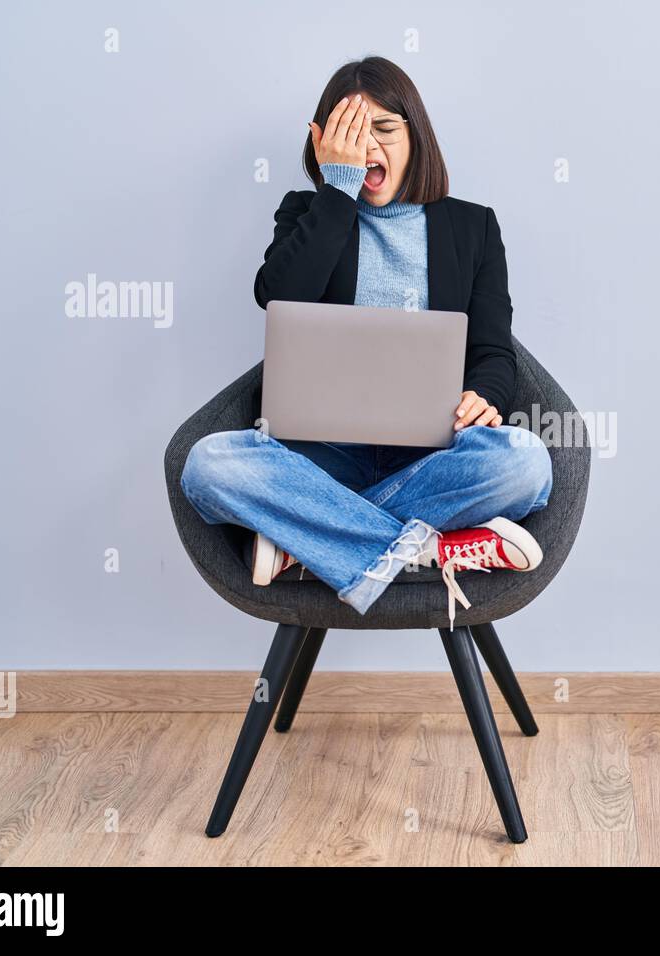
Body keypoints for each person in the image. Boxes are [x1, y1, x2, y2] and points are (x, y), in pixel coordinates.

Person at [179, 56, 552, 629]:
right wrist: (338, 190)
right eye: (351, 134)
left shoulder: (473, 228)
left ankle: (305, 541)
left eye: (384, 130)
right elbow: (278, 296)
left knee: (526, 465)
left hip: (433, 460)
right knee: (207, 466)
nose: (369, 148)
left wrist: (484, 393)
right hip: (317, 463)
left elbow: (494, 351)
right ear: (322, 142)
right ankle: (429, 549)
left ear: (416, 137)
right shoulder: (306, 213)